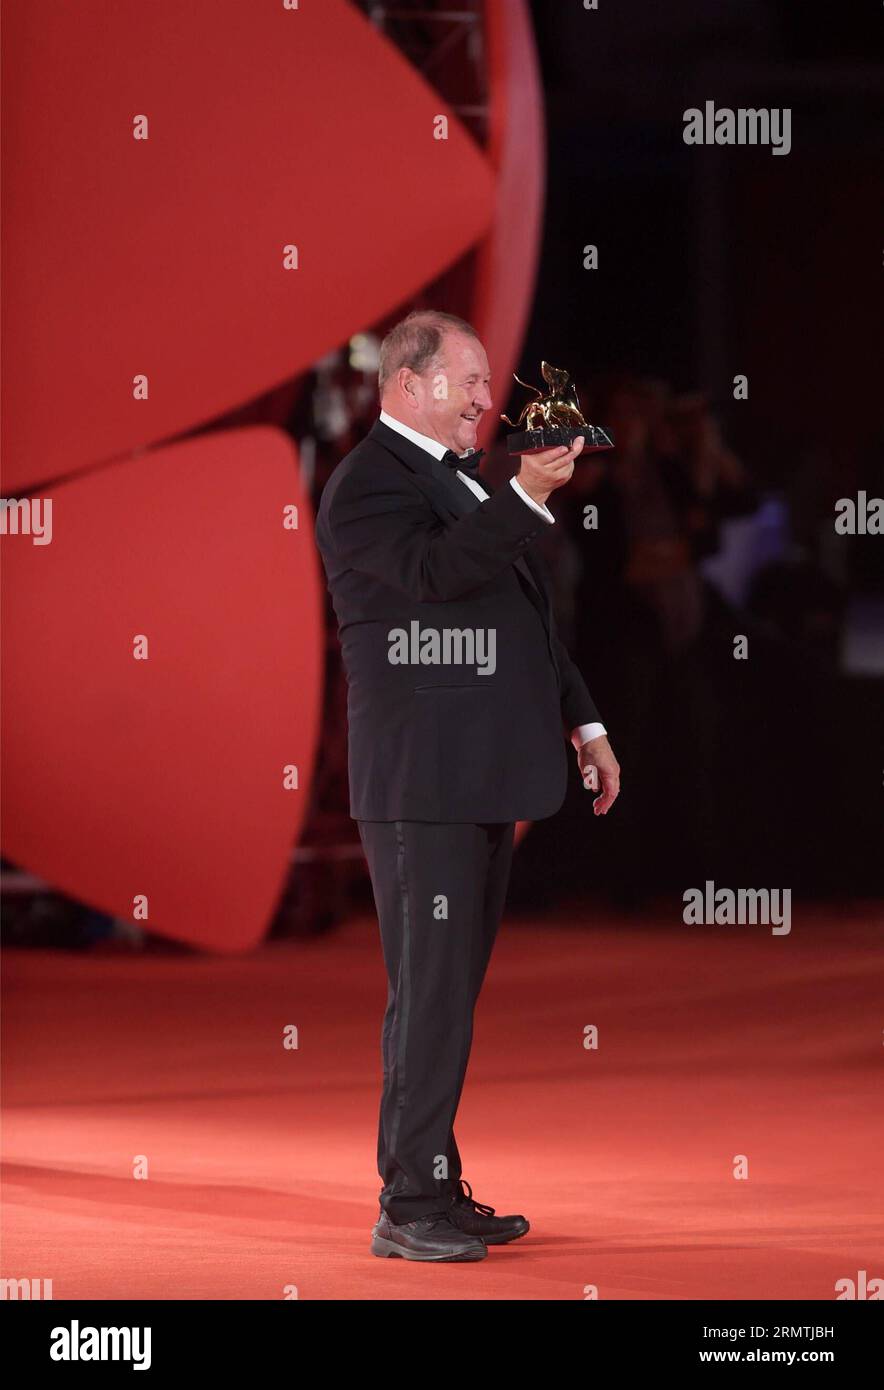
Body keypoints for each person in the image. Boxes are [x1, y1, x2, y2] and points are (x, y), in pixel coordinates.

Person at [315, 310, 620, 1262]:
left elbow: (523, 618)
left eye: (490, 385)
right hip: (422, 784)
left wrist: (587, 721)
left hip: (477, 775)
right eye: (472, 384)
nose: (491, 402)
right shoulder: (364, 486)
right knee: (430, 995)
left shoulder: (461, 482)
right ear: (409, 386)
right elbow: (437, 576)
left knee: (451, 994)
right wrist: (522, 495)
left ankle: (436, 1186)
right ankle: (408, 1202)